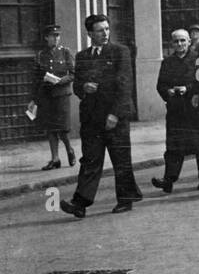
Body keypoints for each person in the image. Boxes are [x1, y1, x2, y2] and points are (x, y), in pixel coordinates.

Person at [60, 14, 141, 219]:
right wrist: (84, 88)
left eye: (107, 29)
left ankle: (125, 199)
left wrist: (115, 114)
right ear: (89, 34)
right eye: (99, 30)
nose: (105, 33)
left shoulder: (120, 52)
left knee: (120, 159)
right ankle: (80, 203)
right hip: (92, 119)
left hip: (115, 117)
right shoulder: (82, 56)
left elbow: (125, 86)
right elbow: (77, 86)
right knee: (90, 160)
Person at [151, 28, 199, 192]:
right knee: (173, 146)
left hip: (195, 108)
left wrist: (188, 89)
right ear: (172, 44)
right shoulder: (167, 62)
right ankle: (168, 180)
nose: (179, 44)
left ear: (189, 42)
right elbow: (160, 85)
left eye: (183, 40)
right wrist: (167, 92)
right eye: (176, 41)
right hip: (175, 109)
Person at [33, 24, 76, 170]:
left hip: (62, 96)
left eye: (58, 36)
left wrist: (60, 81)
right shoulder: (41, 55)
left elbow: (73, 74)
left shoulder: (65, 52)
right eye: (53, 36)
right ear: (46, 38)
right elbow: (37, 76)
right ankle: (55, 158)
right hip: (47, 96)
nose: (56, 38)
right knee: (50, 129)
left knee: (63, 129)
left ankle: (69, 149)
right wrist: (35, 97)